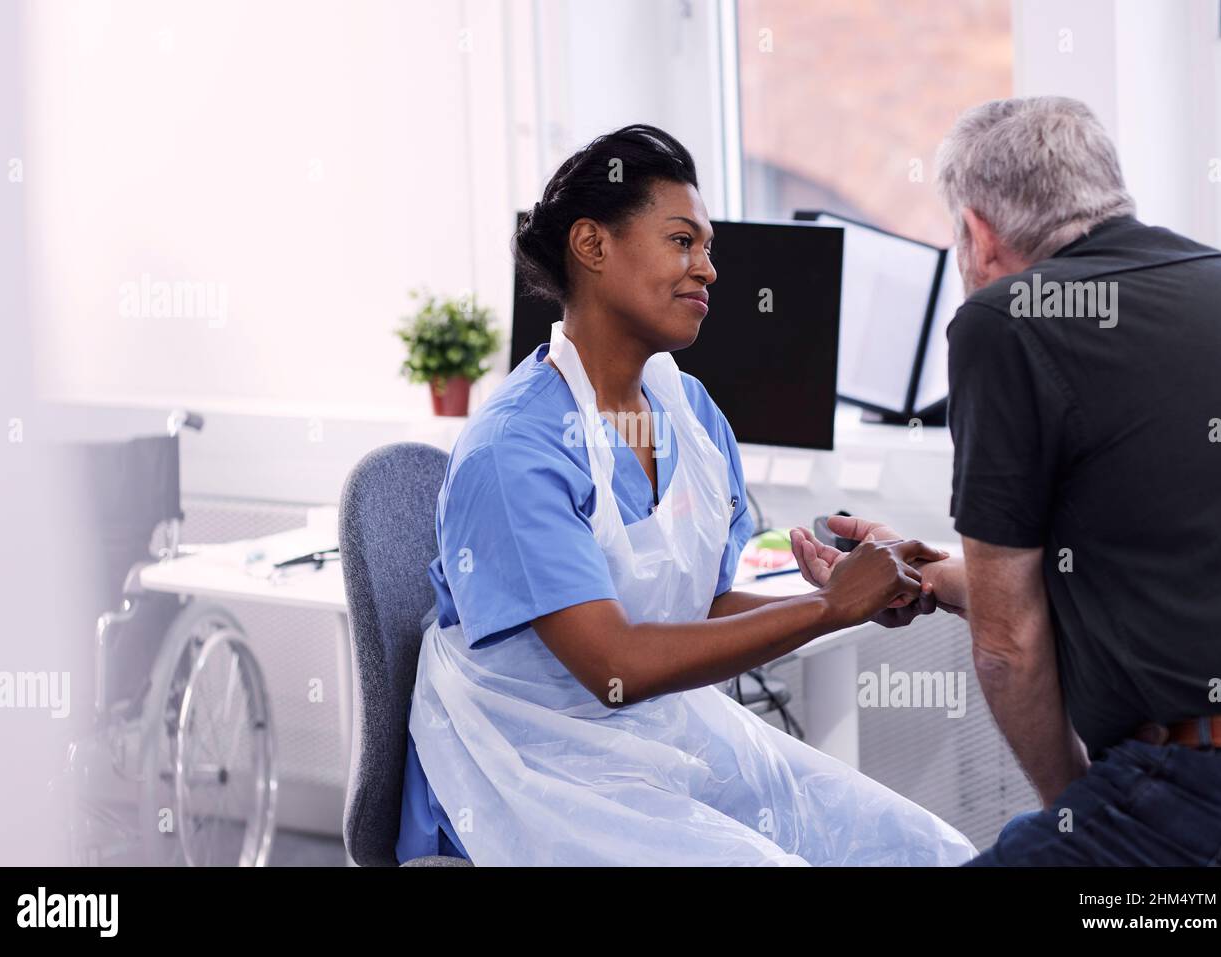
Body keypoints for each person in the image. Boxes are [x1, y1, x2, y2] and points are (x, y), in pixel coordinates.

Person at [396, 124, 976, 866]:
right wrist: (826, 607)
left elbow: (695, 610)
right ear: (593, 245)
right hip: (527, 768)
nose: (706, 269)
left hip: (652, 737)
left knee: (927, 848)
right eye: (681, 241)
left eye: (708, 248)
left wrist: (854, 596)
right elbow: (616, 668)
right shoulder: (515, 450)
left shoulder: (692, 416)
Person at [810, 96, 1221, 866]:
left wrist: (1074, 808)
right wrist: (933, 574)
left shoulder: (1006, 319)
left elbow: (1006, 647)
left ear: (979, 233)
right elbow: (1157, 574)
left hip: (1200, 794)